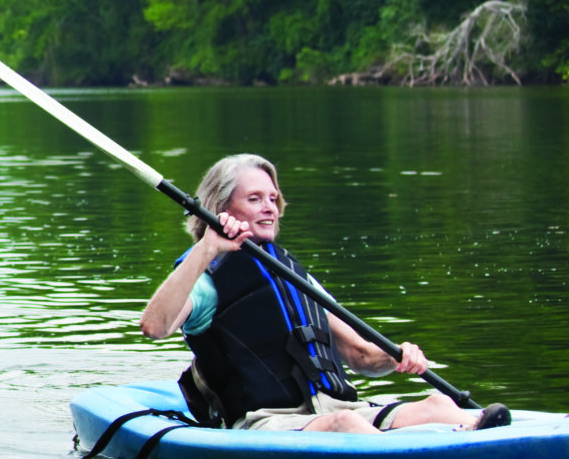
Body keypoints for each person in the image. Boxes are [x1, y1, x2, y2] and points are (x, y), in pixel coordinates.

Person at [139, 153, 508, 433]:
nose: (269, 207)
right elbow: (154, 326)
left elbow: (360, 354)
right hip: (266, 422)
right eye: (254, 199)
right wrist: (208, 247)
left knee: (438, 404)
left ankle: (481, 443)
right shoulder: (205, 277)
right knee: (346, 425)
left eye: (273, 198)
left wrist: (398, 356)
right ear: (221, 209)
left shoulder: (296, 278)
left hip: (332, 406)